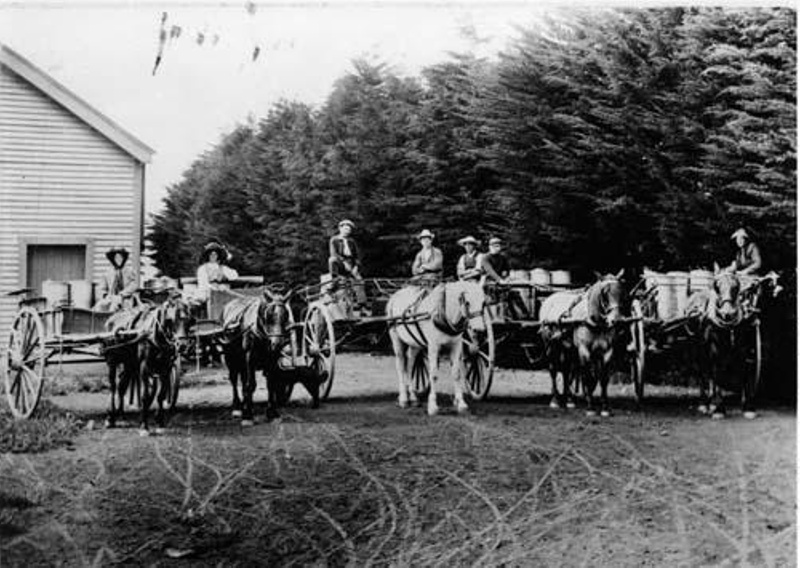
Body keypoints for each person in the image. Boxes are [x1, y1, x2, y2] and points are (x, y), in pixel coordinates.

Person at [481, 237, 529, 319]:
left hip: (501, 283)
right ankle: (503, 316)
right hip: (489, 282)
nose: (498, 248)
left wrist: (509, 276)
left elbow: (507, 269)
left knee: (514, 294)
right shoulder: (485, 258)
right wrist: (499, 280)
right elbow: (490, 271)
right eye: (495, 246)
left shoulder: (502, 257)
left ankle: (524, 315)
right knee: (502, 294)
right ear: (490, 247)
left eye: (499, 246)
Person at [328, 219, 367, 307]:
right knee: (332, 259)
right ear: (340, 229)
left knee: (359, 280)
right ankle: (335, 280)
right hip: (340, 263)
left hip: (351, 263)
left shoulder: (351, 241)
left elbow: (357, 256)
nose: (347, 231)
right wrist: (344, 262)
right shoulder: (334, 240)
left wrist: (356, 267)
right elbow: (334, 253)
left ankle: (361, 303)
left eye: (349, 230)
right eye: (346, 229)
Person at [94, 247, 138, 312]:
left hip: (125, 299)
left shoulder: (129, 271)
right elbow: (100, 288)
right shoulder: (107, 272)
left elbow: (133, 285)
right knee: (99, 306)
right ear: (113, 259)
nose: (118, 260)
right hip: (111, 297)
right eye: (116, 258)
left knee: (114, 306)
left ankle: (110, 317)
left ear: (124, 259)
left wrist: (122, 294)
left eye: (120, 258)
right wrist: (105, 295)